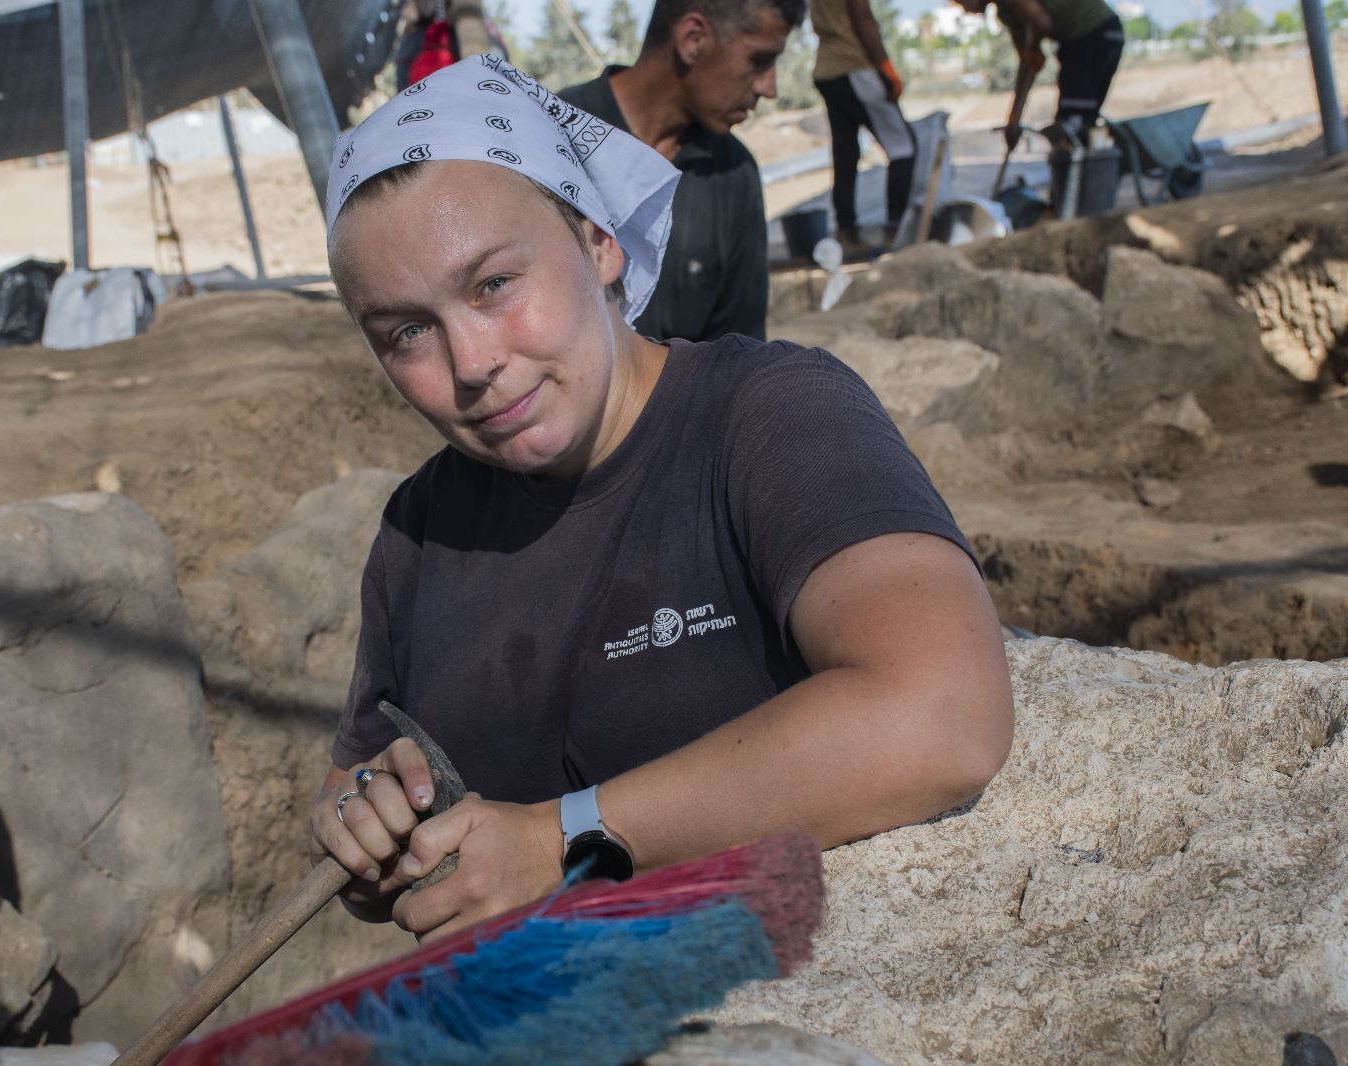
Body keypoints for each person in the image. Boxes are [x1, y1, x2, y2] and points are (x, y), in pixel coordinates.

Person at [310, 55, 1014, 944]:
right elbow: (356, 781)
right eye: (407, 331)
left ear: (599, 239)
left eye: (493, 285)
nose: (472, 362)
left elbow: (942, 712)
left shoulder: (767, 420)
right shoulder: (420, 534)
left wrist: (561, 841)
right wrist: (366, 825)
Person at [554, 0, 807, 343]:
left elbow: (735, 358)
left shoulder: (733, 175)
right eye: (759, 60)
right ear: (693, 39)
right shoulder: (551, 138)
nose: (770, 88)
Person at [811, 0, 915, 258]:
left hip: (827, 69)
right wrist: (885, 66)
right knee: (903, 146)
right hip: (854, 65)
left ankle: (846, 230)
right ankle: (897, 231)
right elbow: (862, 15)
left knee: (845, 151)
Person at [954, 0, 1124, 149]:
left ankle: (1083, 179)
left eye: (961, 1)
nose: (964, 9)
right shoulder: (1006, 12)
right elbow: (1029, 64)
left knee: (1073, 126)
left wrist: (1033, 47)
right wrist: (1014, 119)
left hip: (1093, 36)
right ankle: (1084, 177)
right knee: (1079, 124)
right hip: (1095, 38)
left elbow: (1041, 21)